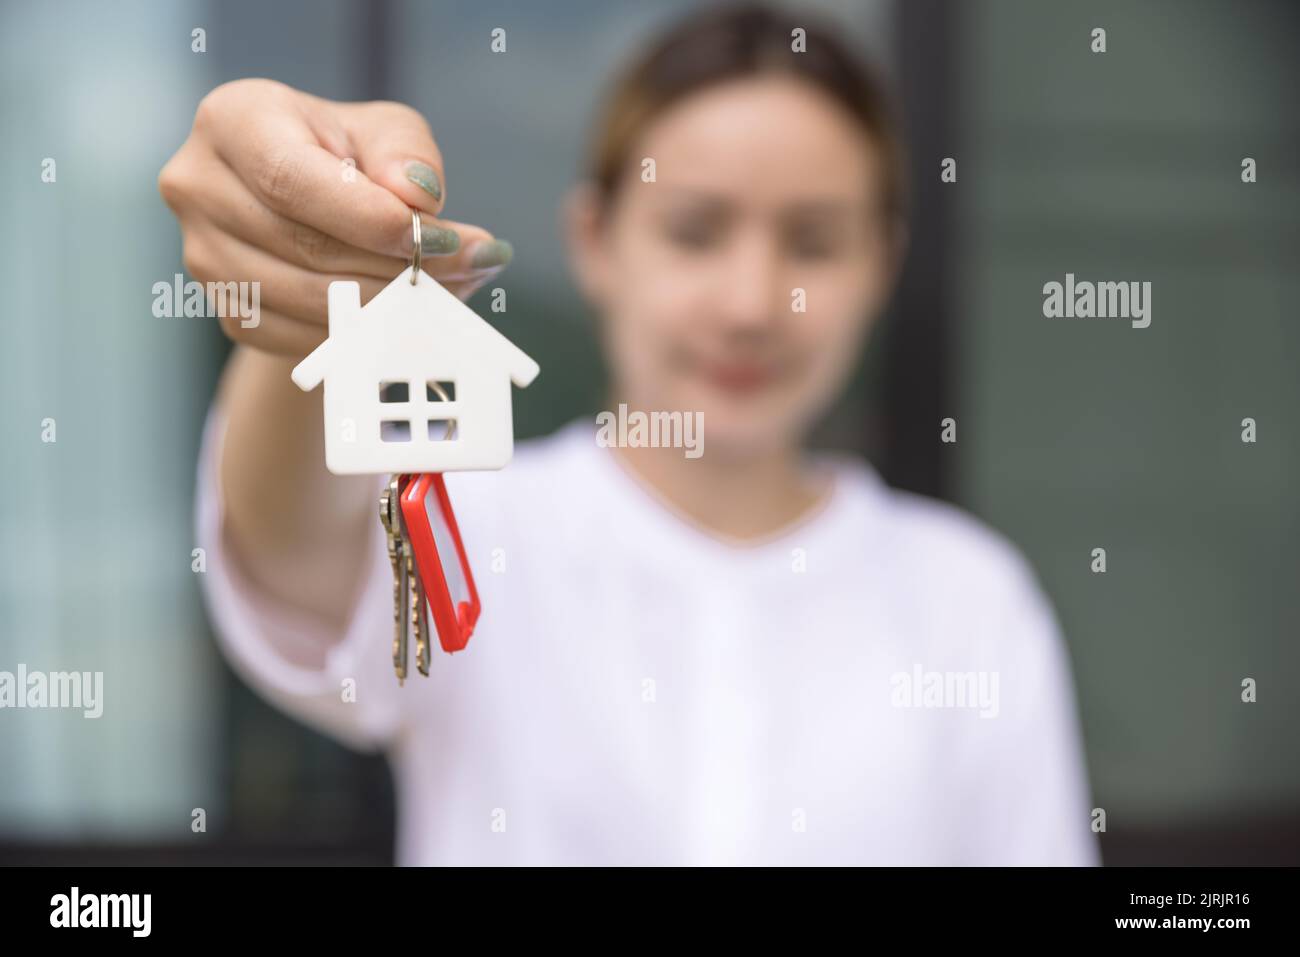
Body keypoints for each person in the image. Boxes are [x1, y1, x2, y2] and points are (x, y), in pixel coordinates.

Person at [160, 3, 1099, 865]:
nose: (750, 304)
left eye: (813, 242)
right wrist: (304, 299)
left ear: (881, 264)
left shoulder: (972, 601)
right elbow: (288, 547)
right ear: (595, 241)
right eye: (695, 231)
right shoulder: (471, 522)